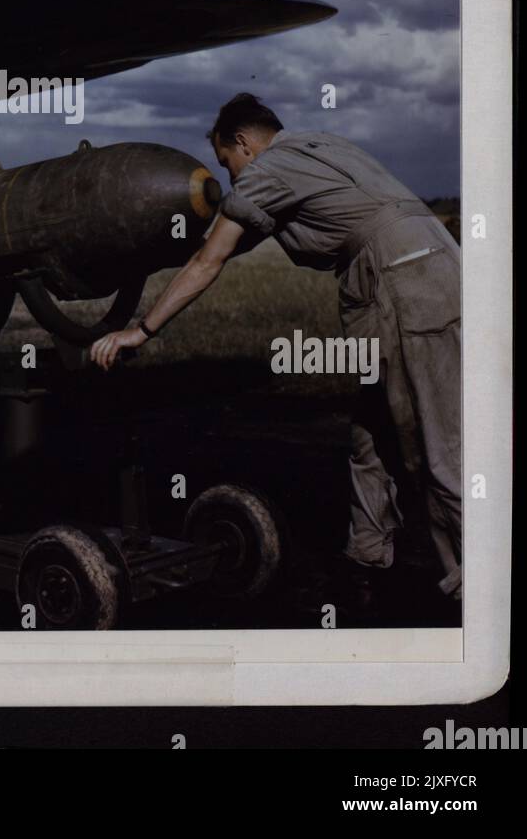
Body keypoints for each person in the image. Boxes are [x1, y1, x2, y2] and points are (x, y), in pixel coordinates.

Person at [91, 93, 462, 612]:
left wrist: (143, 330)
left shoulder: (268, 169)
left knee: (434, 448)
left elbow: (209, 260)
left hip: (403, 286)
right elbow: (230, 240)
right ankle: (366, 564)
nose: (233, 178)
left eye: (228, 164)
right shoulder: (319, 145)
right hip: (437, 268)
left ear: (243, 144)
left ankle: (473, 596)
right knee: (370, 436)